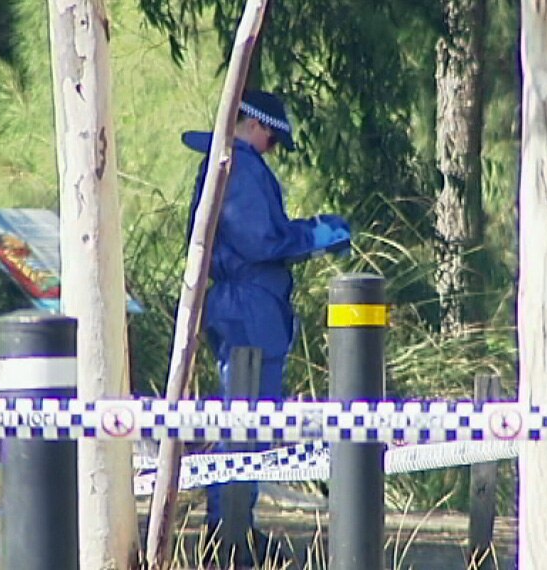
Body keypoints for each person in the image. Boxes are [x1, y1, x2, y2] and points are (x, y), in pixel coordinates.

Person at [181, 90, 350, 566]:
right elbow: (259, 241)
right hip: (248, 309)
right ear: (259, 127)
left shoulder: (226, 164)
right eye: (274, 139)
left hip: (243, 305)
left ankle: (233, 527)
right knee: (246, 423)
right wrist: (315, 234)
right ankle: (228, 534)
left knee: (246, 420)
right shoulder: (242, 167)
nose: (272, 147)